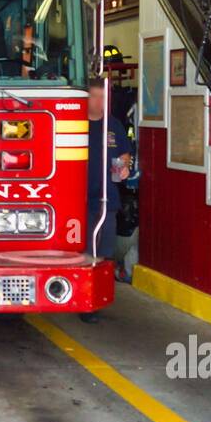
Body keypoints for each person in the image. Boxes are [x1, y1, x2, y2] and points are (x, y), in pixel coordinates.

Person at [83, 77, 132, 322]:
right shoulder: (76, 124)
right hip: (79, 199)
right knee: (85, 252)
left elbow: (123, 155)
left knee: (103, 252)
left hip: (107, 199)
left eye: (103, 97)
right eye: (95, 96)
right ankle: (81, 299)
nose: (99, 102)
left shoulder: (113, 126)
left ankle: (93, 303)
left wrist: (123, 169)